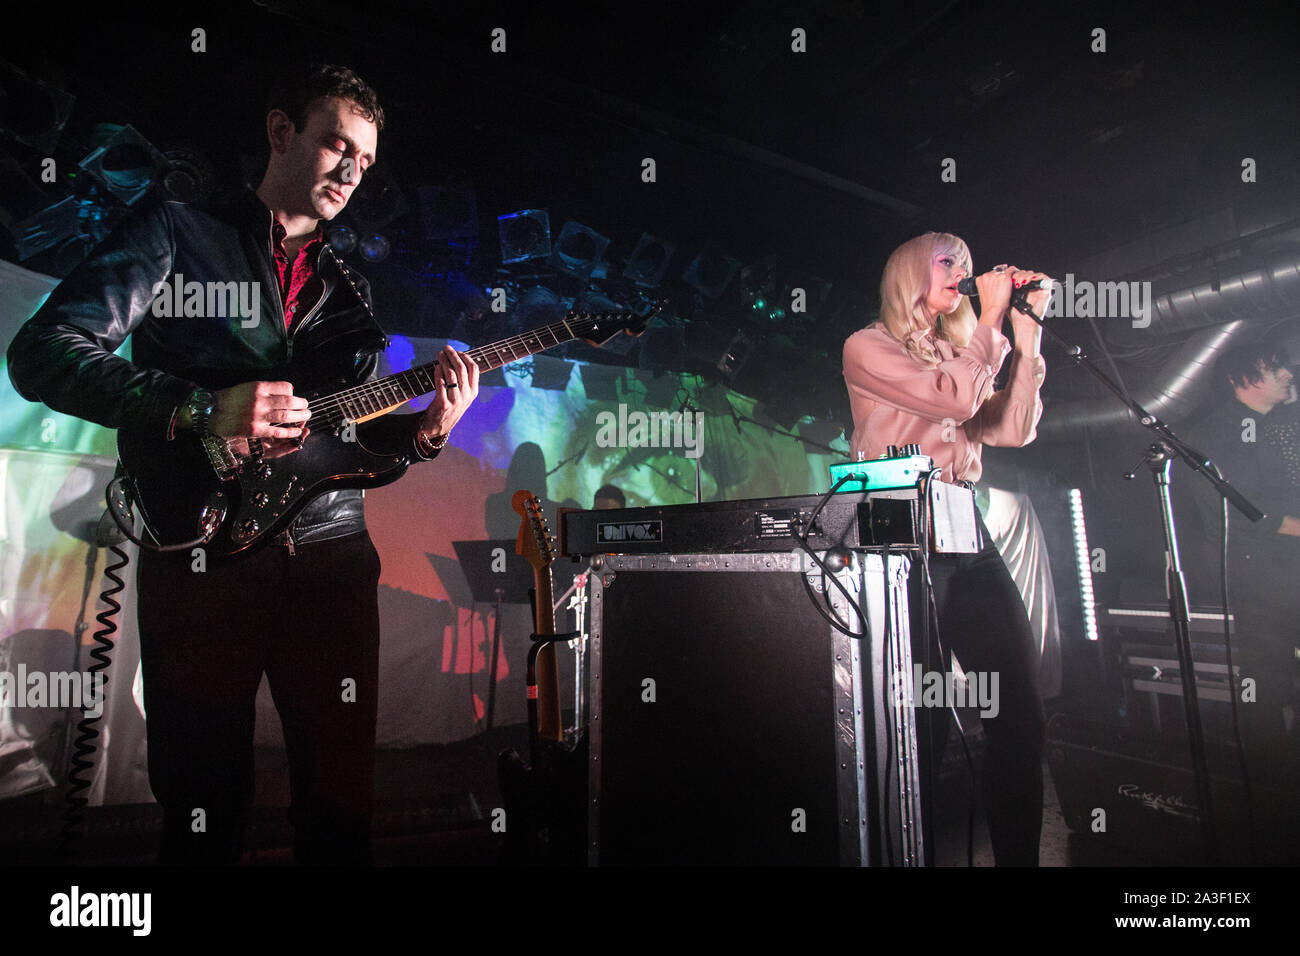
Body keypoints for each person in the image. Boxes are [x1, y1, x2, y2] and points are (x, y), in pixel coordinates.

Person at [7, 64, 481, 864]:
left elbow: (345, 446)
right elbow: (44, 353)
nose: (349, 172)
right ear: (280, 133)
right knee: (202, 803)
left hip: (331, 563)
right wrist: (196, 407)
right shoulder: (177, 229)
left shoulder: (352, 293)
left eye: (363, 163)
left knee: (340, 803)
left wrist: (429, 431)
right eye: (336, 145)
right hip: (202, 560)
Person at [842, 231, 1050, 865]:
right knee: (921, 724)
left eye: (966, 261)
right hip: (900, 530)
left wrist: (1028, 330)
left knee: (1019, 708)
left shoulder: (962, 350)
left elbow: (1012, 428)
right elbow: (952, 399)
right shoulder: (867, 347)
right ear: (910, 271)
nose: (962, 270)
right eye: (947, 260)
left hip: (966, 526)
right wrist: (989, 320)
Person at [1183, 342, 1299, 779]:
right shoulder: (1222, 430)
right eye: (1276, 368)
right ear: (1240, 379)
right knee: (1265, 683)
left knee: (1270, 681)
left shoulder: (1265, 427)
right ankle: (1271, 791)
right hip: (1260, 576)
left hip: (1278, 573)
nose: (1288, 375)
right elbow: (1249, 511)